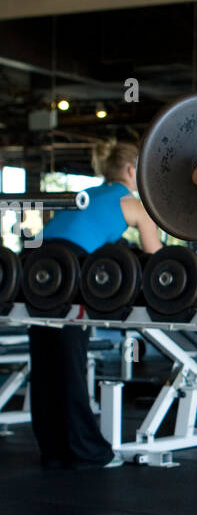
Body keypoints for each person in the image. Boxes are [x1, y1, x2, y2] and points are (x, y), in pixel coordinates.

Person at [28, 140, 161, 469]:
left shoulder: (84, 196)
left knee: (45, 362)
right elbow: (160, 262)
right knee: (70, 362)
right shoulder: (133, 203)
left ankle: (54, 451)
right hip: (71, 271)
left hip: (36, 268)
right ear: (132, 171)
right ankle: (88, 453)